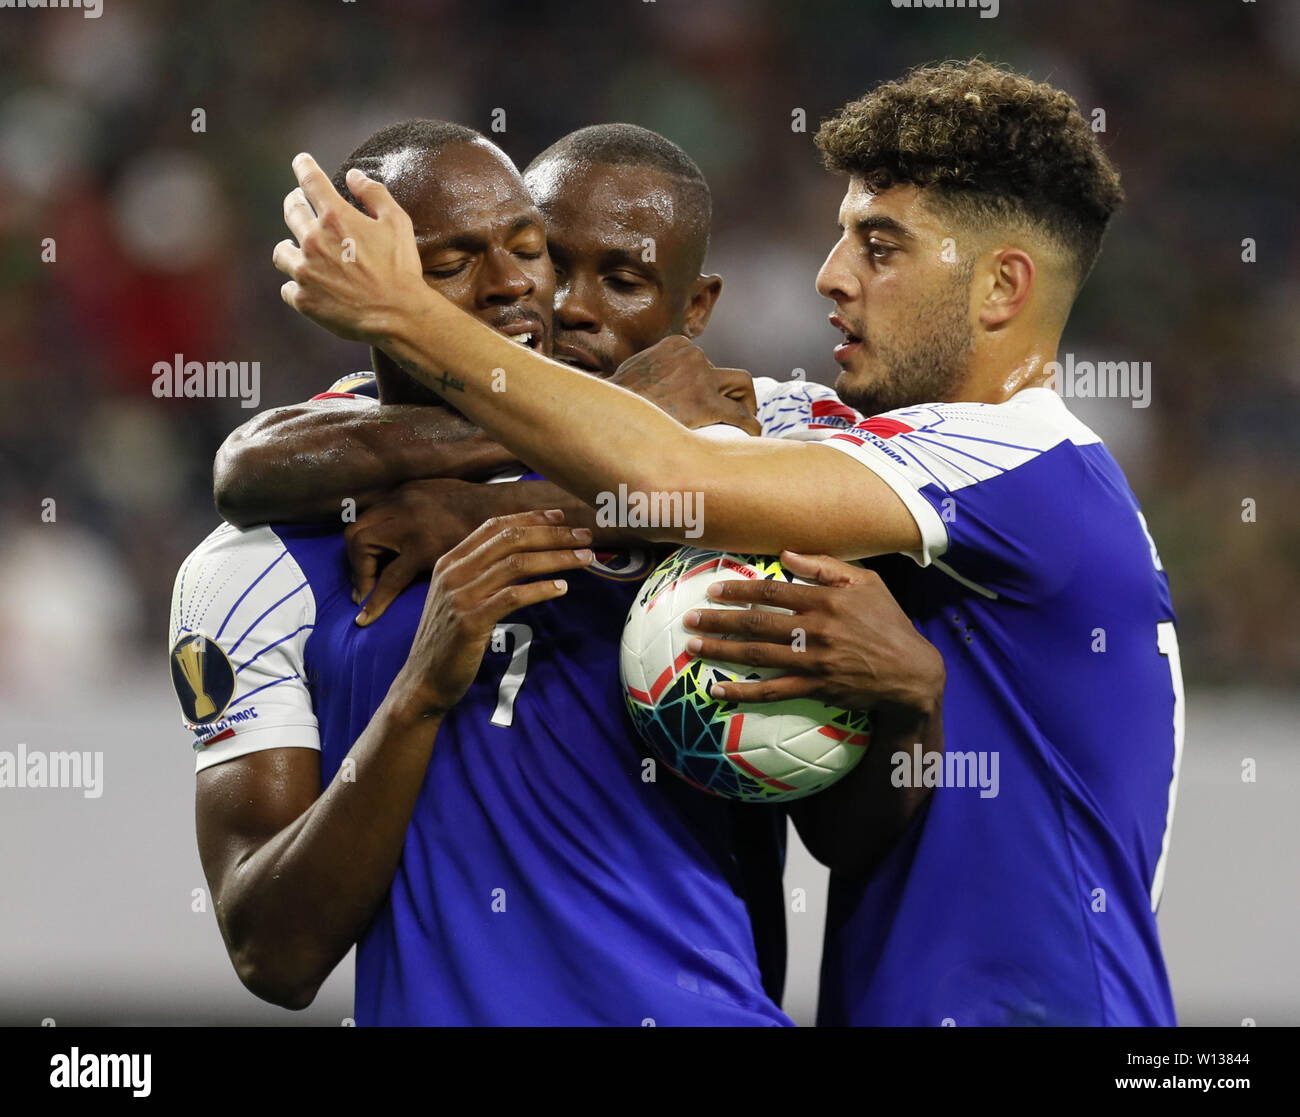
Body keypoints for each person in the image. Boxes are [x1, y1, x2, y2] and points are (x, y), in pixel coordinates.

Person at [273, 60, 1183, 1026]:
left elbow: (672, 478)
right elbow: (643, 439)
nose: (831, 277)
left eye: (880, 246)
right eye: (840, 238)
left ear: (1002, 286)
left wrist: (406, 313)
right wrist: (496, 505)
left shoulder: (1029, 463)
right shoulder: (857, 441)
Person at [177, 119, 944, 1024]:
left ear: (694, 308)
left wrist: (912, 701)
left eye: (524, 251)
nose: (539, 295)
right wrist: (419, 692)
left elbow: (849, 836)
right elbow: (275, 953)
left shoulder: (750, 462)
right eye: (453, 260)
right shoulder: (271, 550)